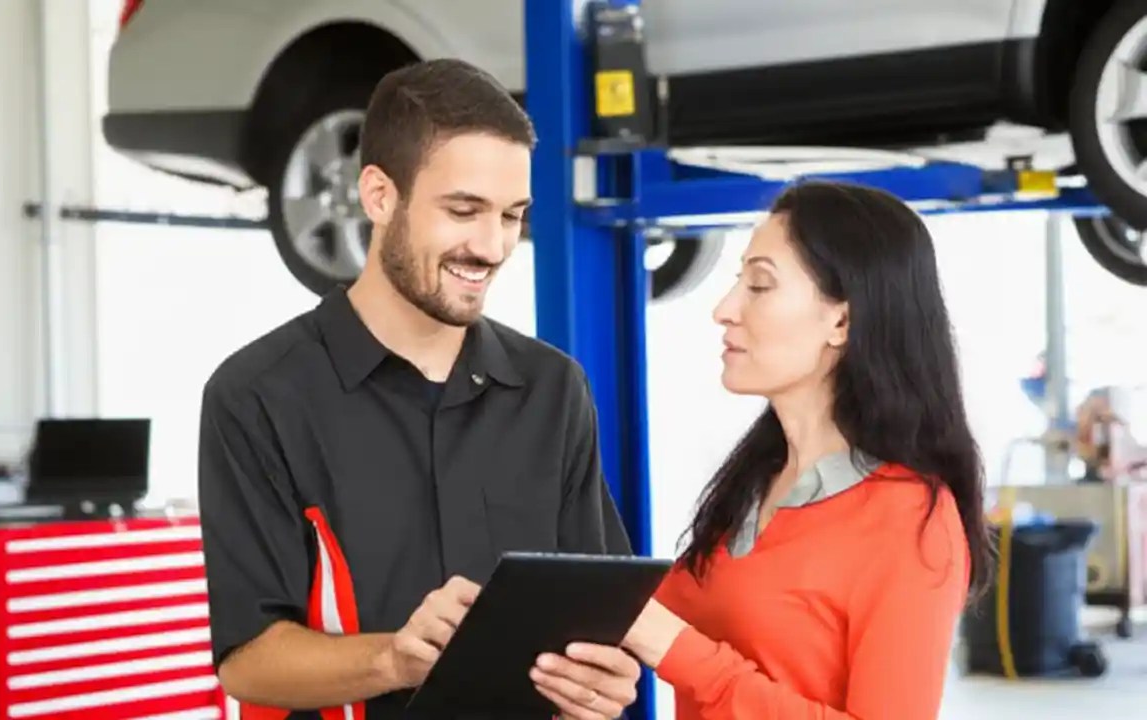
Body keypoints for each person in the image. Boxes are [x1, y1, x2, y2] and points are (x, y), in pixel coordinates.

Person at [196, 58, 640, 720]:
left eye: (512, 215)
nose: (491, 246)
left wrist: (604, 683)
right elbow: (249, 661)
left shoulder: (554, 391)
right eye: (464, 210)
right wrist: (392, 659)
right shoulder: (258, 397)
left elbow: (598, 622)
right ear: (379, 195)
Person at [619, 181, 994, 719]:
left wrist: (682, 654)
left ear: (841, 320)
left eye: (760, 285)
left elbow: (674, 643)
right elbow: (641, 623)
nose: (724, 310)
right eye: (736, 282)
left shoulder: (909, 518)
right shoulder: (751, 486)